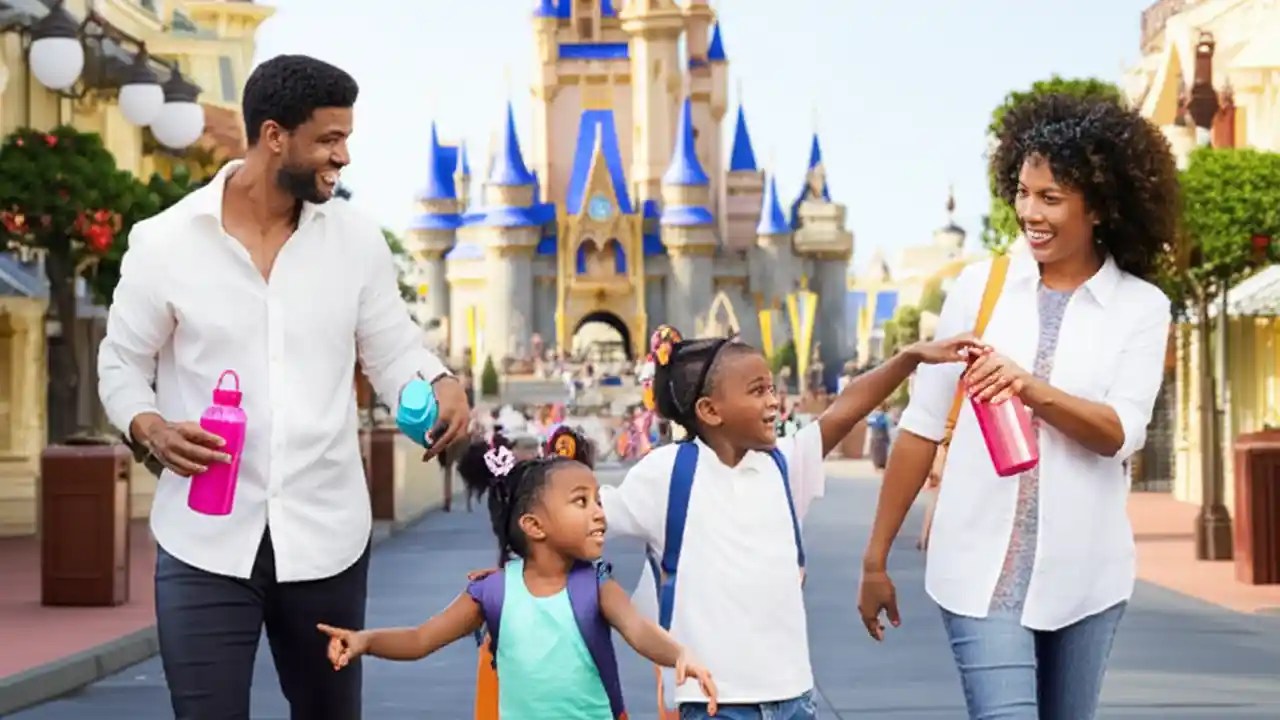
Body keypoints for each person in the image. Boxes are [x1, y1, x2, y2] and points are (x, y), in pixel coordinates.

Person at [96, 55, 470, 719]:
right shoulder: (164, 243)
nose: (344, 156)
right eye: (329, 139)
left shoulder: (355, 241)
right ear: (275, 136)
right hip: (203, 540)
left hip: (326, 537)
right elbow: (120, 363)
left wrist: (439, 381)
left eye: (346, 138)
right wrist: (149, 426)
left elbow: (392, 351)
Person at [857, 92, 1178, 720]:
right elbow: (921, 428)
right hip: (977, 572)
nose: (1029, 212)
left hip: (1088, 577)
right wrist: (875, 558)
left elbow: (1120, 433)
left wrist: (1031, 388)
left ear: (1102, 207)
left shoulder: (1142, 308)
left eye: (1050, 198)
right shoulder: (981, 287)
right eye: (1023, 193)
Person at [602, 325, 978, 719]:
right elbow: (589, 519)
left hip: (794, 698)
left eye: (771, 388)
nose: (774, 402)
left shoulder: (784, 463)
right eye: (757, 390)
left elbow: (847, 408)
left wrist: (908, 359)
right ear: (711, 411)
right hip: (714, 701)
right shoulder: (666, 474)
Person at [316, 445, 719, 719]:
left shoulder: (596, 584)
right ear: (533, 526)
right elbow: (422, 639)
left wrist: (677, 653)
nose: (599, 513)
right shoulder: (492, 592)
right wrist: (366, 641)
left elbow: (638, 630)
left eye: (598, 500)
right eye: (582, 502)